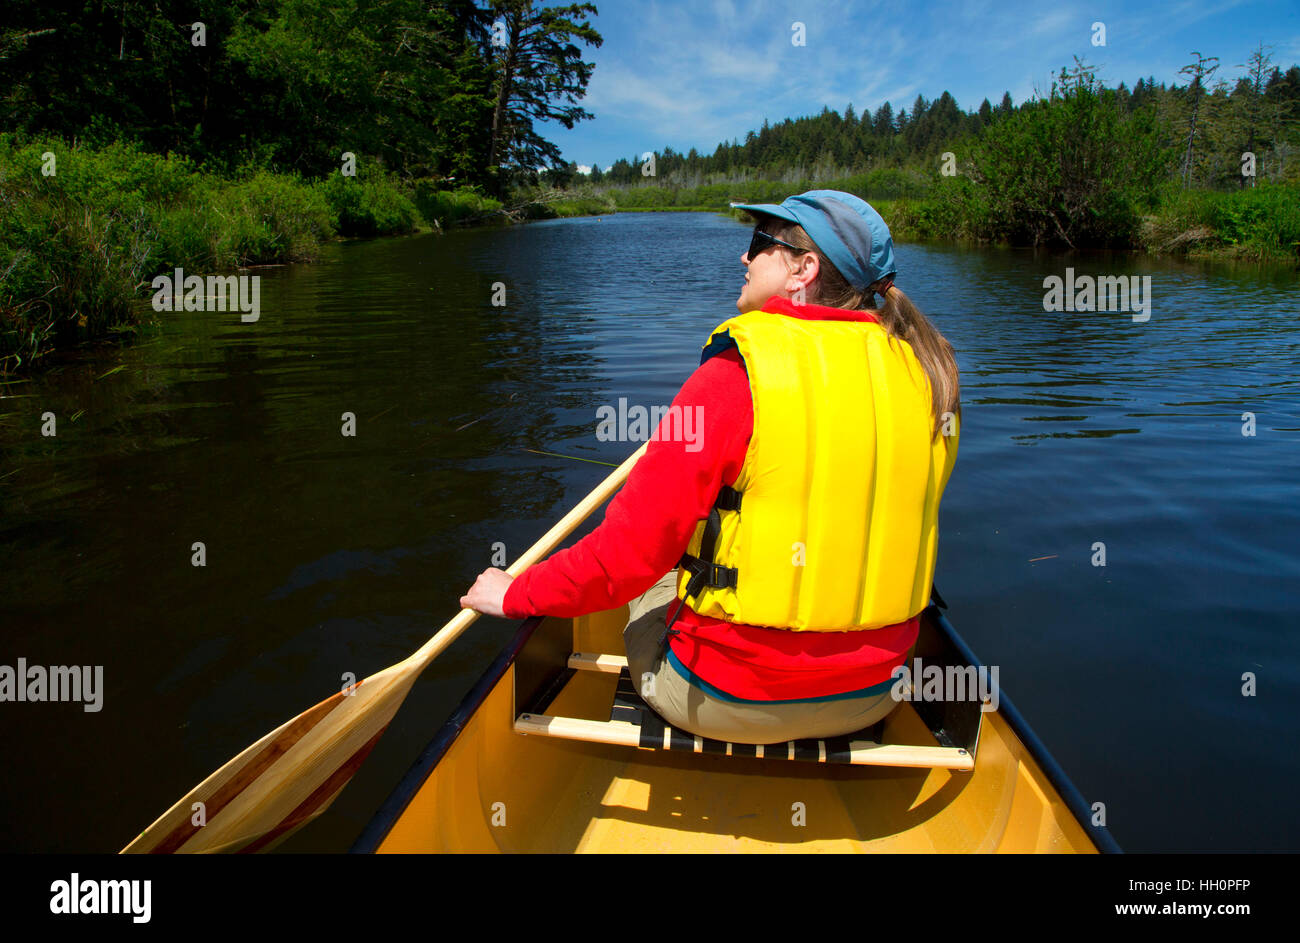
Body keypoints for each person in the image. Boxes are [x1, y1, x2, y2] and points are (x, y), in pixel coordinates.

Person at [461, 190, 960, 745]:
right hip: (875, 693)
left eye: (758, 245)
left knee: (650, 579)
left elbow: (624, 558)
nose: (743, 259)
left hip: (726, 699)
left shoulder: (731, 376)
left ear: (804, 269)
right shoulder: (930, 377)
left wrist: (513, 592)